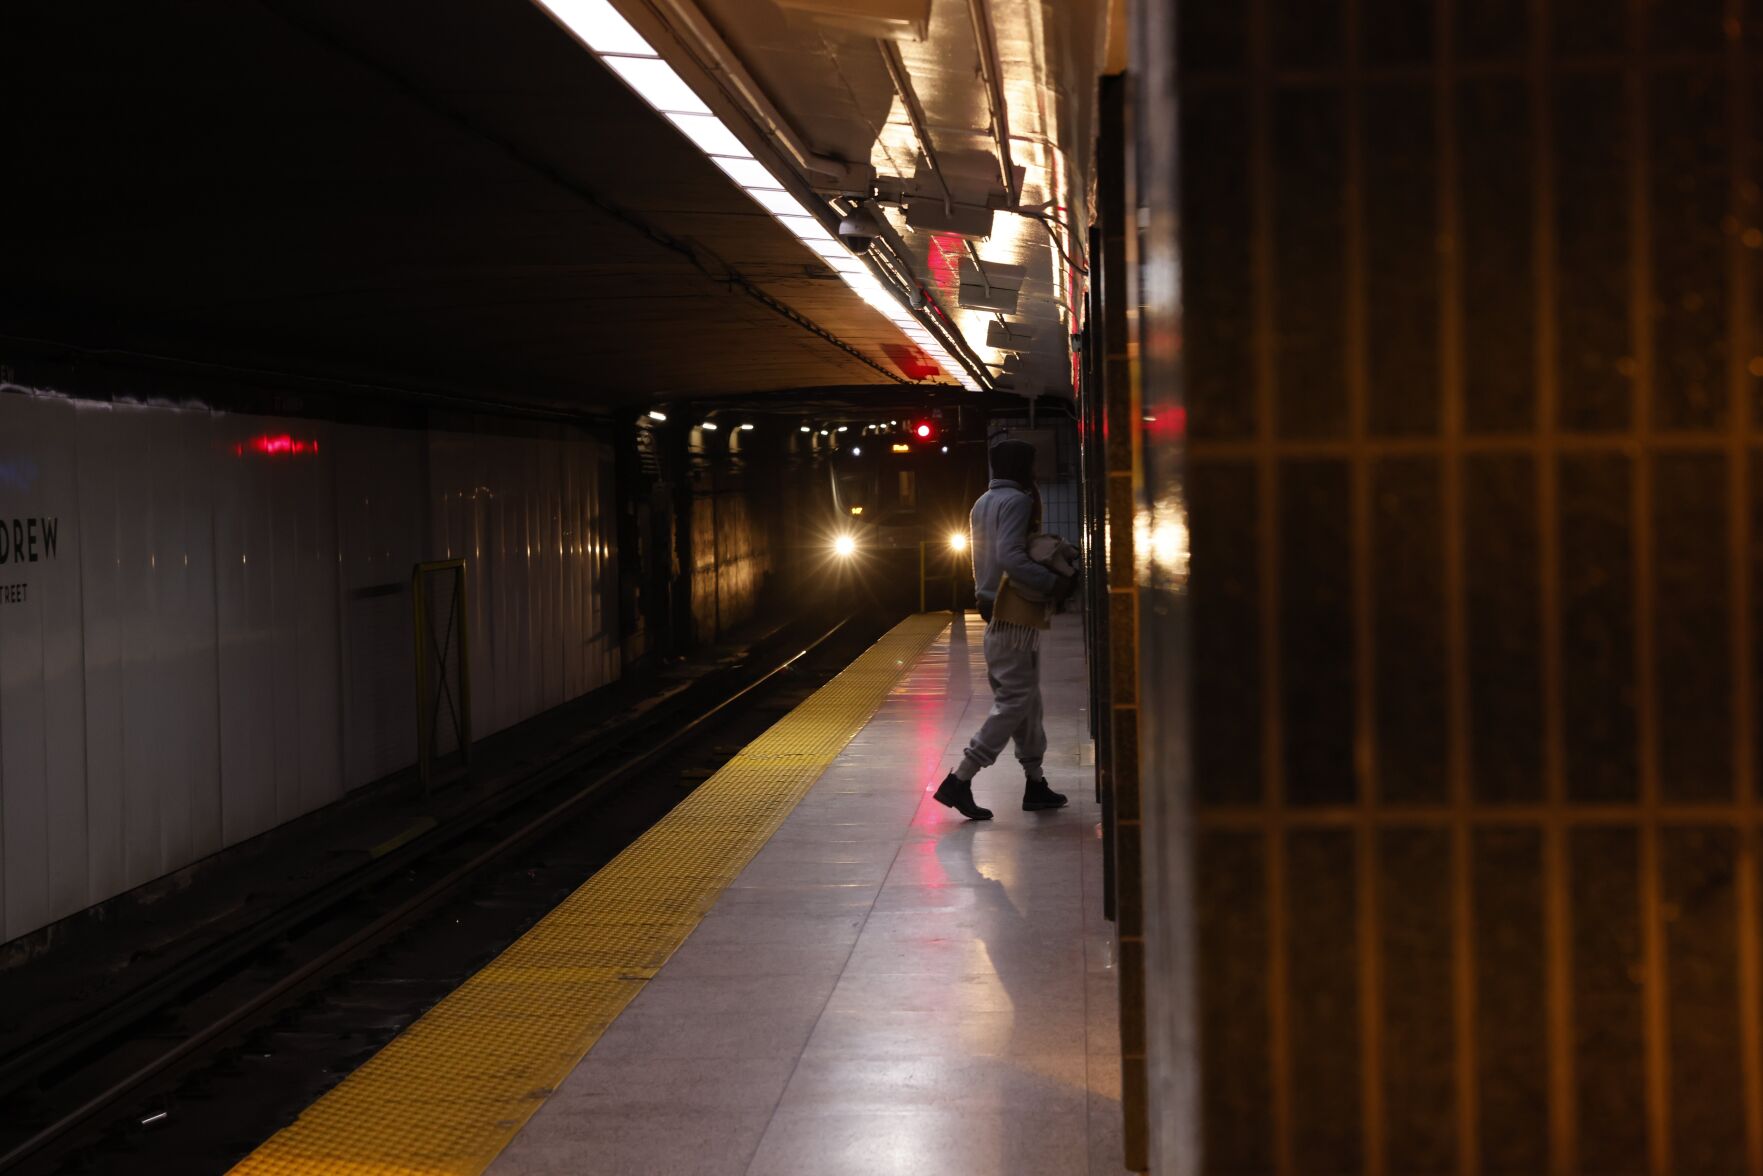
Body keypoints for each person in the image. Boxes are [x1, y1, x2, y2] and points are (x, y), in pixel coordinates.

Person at [933, 438, 1076, 820]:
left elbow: (986, 557)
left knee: (1028, 703)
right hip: (1013, 614)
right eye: (1031, 465)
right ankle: (960, 779)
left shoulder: (982, 501)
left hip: (998, 613)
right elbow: (1009, 555)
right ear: (1022, 467)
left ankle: (1035, 782)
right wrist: (1053, 584)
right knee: (1015, 701)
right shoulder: (1018, 501)